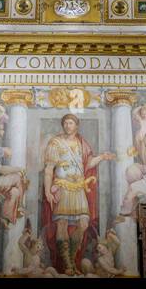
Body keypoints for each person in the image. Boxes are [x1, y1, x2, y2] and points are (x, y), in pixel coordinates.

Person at [41, 113, 114, 274]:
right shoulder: (56, 143)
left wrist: (102, 157)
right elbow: (48, 169)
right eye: (65, 123)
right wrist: (47, 190)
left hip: (79, 188)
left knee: (83, 224)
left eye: (71, 123)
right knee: (62, 225)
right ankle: (68, 265)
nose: (68, 125)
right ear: (63, 125)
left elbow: (88, 164)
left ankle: (72, 260)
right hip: (62, 187)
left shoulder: (82, 143)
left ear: (76, 126)